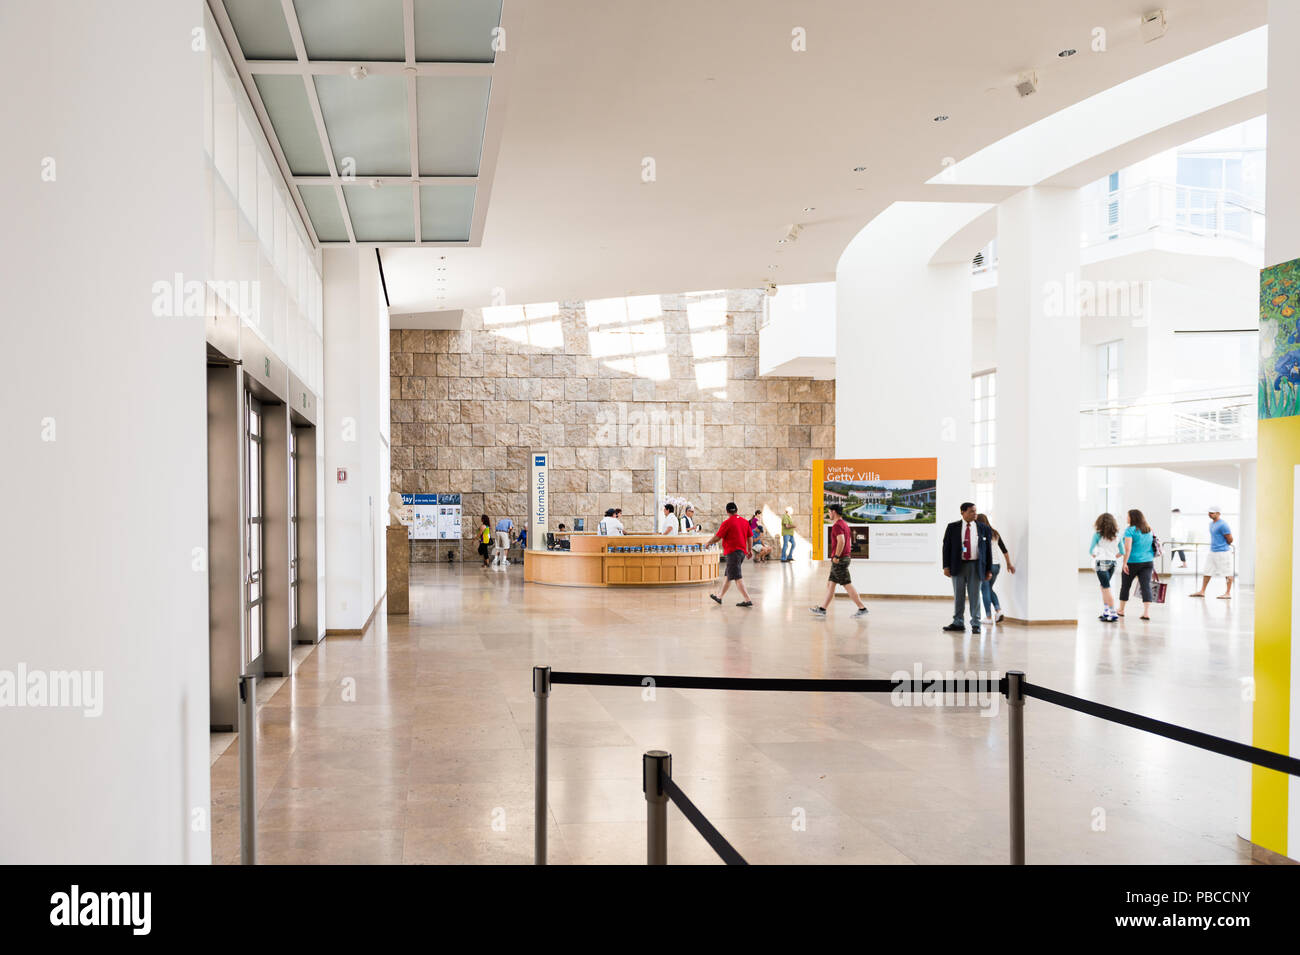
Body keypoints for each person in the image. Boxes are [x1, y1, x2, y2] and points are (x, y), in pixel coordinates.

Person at [941, 502, 993, 633]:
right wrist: (946, 566)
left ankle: (976, 624)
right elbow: (946, 548)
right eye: (971, 511)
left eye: (975, 511)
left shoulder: (983, 528)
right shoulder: (952, 527)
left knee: (975, 596)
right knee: (959, 596)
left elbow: (988, 551)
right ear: (962, 512)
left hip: (976, 566)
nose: (975, 514)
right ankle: (958, 622)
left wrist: (988, 569)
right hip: (958, 565)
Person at [810, 503, 868, 618]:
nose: (828, 514)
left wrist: (836, 556)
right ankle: (823, 609)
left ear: (834, 512)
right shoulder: (844, 524)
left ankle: (862, 608)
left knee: (847, 584)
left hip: (840, 559)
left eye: (829, 512)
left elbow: (841, 541)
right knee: (830, 584)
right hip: (843, 558)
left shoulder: (837, 526)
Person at [706, 502, 755, 607]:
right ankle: (719, 597)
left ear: (727, 511)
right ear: (737, 510)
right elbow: (750, 537)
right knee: (728, 575)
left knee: (737, 576)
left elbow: (718, 537)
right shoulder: (745, 522)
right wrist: (749, 550)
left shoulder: (727, 523)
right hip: (741, 552)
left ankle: (747, 599)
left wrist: (708, 542)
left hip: (733, 553)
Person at [975, 513, 1015, 624]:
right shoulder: (995, 533)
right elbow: (1004, 550)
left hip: (986, 566)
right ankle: (998, 611)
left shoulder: (980, 533)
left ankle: (988, 617)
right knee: (989, 589)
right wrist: (1009, 564)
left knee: (985, 590)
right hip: (997, 566)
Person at [1190, 506, 1235, 599]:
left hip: (1223, 552)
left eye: (1212, 513)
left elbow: (1230, 539)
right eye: (1209, 512)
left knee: (1227, 572)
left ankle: (1228, 593)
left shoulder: (1223, 525)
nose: (1209, 514)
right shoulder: (1211, 524)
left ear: (1218, 513)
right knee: (1207, 570)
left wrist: (1222, 545)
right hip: (1212, 551)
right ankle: (1202, 591)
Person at [1118, 508, 1155, 620]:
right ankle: (1146, 613)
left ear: (1132, 518)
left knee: (1125, 586)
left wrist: (1124, 563)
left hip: (1132, 563)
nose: (1126, 518)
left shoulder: (1130, 530)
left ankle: (1121, 610)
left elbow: (1127, 548)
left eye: (1128, 516)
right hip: (1148, 562)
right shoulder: (1149, 529)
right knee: (1145, 586)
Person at [1088, 512, 1123, 622]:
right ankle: (1106, 611)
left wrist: (1096, 555)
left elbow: (1091, 551)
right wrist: (1113, 557)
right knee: (1103, 587)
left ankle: (1113, 613)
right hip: (1112, 563)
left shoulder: (1097, 535)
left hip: (1101, 562)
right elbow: (1122, 552)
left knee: (1106, 587)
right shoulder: (1117, 536)